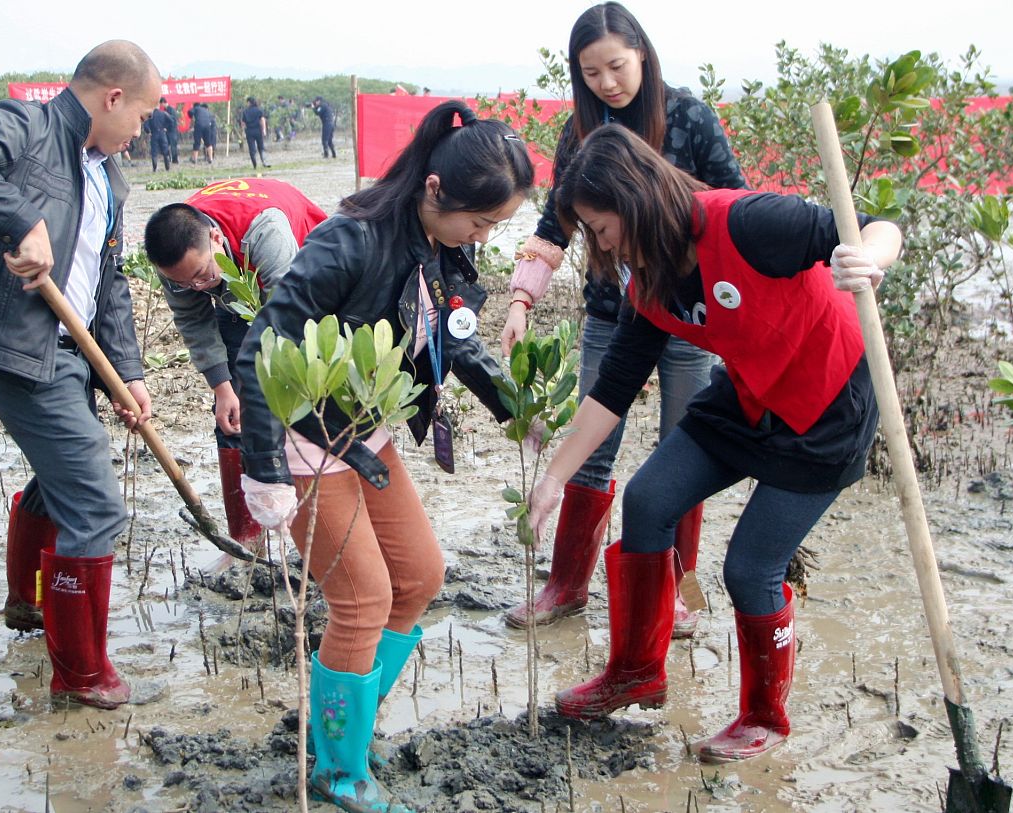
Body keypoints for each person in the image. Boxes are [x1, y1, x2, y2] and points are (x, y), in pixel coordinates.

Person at [526, 124, 901, 761]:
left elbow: (877, 224)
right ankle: (636, 671)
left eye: (600, 224)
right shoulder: (649, 281)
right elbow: (613, 389)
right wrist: (554, 478)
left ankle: (764, 717)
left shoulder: (747, 223)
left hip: (825, 409)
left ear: (635, 198)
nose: (599, 243)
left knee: (749, 567)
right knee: (647, 500)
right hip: (748, 397)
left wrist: (869, 256)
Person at [235, 100, 534, 812]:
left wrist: (514, 411)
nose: (483, 236)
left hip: (367, 432)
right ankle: (340, 771)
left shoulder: (442, 247)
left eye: (495, 225)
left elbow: (452, 337)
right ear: (435, 190)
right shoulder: (349, 241)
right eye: (480, 221)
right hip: (310, 439)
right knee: (362, 597)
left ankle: (349, 726)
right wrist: (262, 469)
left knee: (421, 576)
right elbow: (257, 352)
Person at [0, 40, 162, 711]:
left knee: (59, 484)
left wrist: (126, 374)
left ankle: (27, 600)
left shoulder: (110, 178)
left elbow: (107, 286)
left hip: (75, 354)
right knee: (96, 504)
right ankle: (81, 674)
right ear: (113, 97)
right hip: (23, 352)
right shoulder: (25, 128)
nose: (141, 131)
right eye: (140, 115)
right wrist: (21, 219)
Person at [500, 2, 747, 638]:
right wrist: (521, 299)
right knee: (591, 449)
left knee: (681, 451)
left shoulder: (688, 114)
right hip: (615, 313)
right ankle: (566, 585)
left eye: (616, 65)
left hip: (688, 317)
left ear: (642, 51)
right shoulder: (581, 130)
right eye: (590, 73)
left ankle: (677, 590)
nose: (607, 83)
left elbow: (734, 200)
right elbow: (556, 221)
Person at [143, 179, 327, 552]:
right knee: (234, 415)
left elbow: (292, 324)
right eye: (184, 282)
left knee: (303, 405)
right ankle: (247, 541)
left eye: (200, 274)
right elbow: (195, 323)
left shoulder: (265, 231)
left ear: (214, 238)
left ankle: (315, 533)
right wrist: (223, 389)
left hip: (301, 284)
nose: (195, 286)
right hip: (236, 290)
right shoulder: (178, 265)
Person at [240, 96, 269, 169]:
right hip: (258, 131)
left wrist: (243, 132)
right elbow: (262, 120)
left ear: (249, 102)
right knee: (261, 147)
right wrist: (264, 130)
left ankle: (254, 164)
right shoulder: (259, 110)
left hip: (249, 132)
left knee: (252, 148)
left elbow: (243, 123)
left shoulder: (245, 111)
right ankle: (264, 162)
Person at [147, 97, 175, 171]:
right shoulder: (163, 113)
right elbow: (172, 121)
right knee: (165, 150)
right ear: (158, 106)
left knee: (154, 151)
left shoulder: (150, 115)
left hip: (154, 134)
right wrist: (167, 128)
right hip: (162, 133)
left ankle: (154, 167)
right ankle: (167, 167)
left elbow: (146, 125)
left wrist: (149, 131)